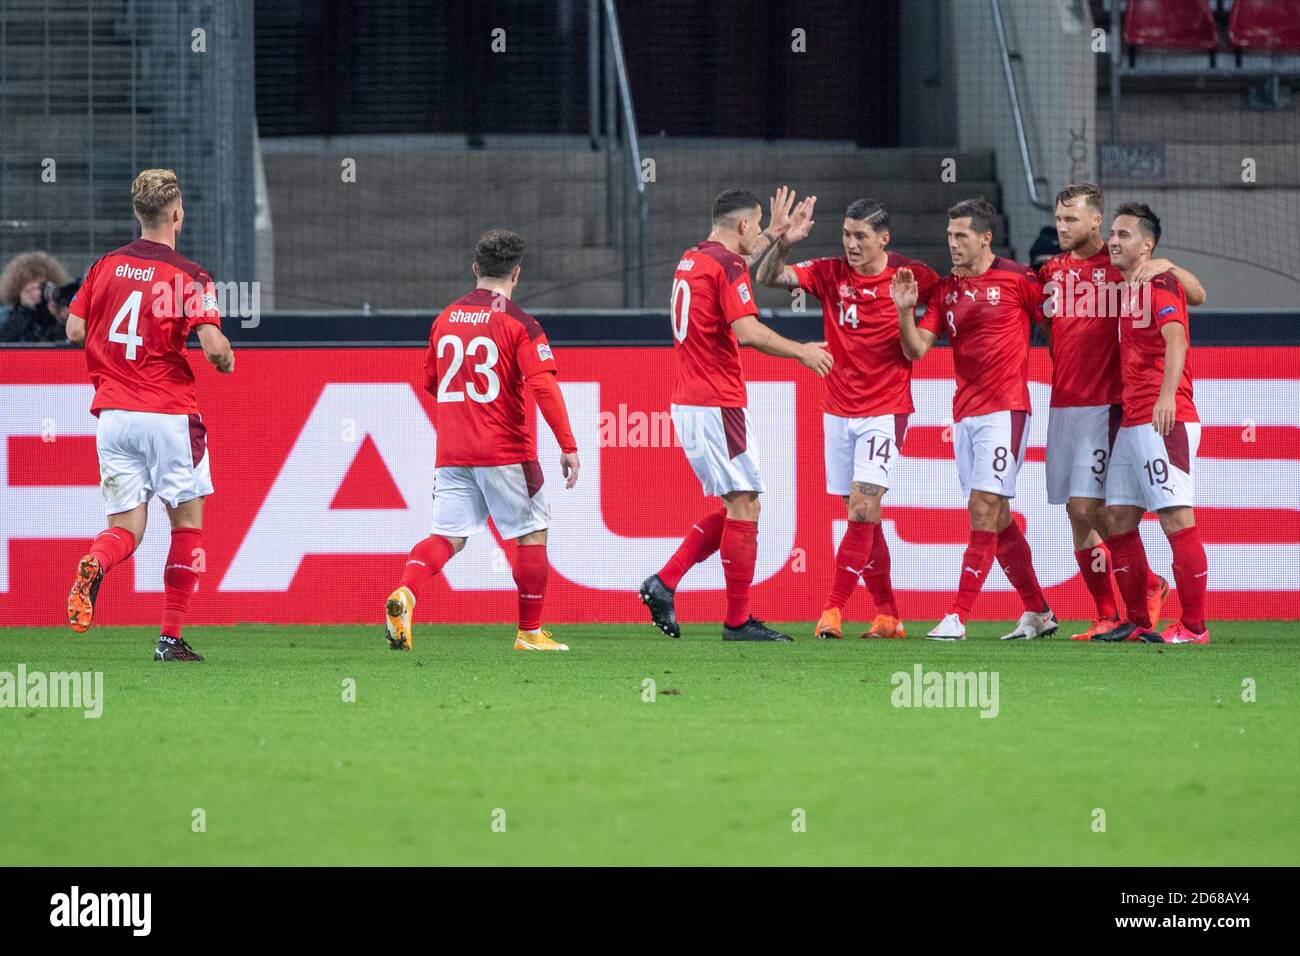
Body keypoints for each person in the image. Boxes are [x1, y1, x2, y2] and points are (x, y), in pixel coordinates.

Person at [639, 188, 832, 642]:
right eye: (758, 222)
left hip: (693, 399)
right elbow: (747, 331)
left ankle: (665, 583)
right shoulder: (726, 266)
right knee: (745, 504)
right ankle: (736, 621)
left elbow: (741, 260)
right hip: (715, 401)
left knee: (737, 505)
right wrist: (801, 351)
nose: (759, 230)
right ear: (742, 225)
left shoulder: (694, 257)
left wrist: (777, 233)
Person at [64, 168, 234, 662]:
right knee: (186, 526)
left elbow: (75, 330)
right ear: (177, 214)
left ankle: (97, 560)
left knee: (125, 528)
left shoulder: (104, 266)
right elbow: (213, 345)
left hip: (114, 416)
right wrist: (225, 357)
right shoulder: (191, 276)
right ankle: (170, 637)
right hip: (167, 413)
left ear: (138, 214)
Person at [754, 191, 940, 640]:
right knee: (865, 518)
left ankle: (832, 610)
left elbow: (944, 303)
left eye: (860, 236)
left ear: (884, 239)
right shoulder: (830, 272)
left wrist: (910, 317)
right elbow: (768, 277)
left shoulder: (913, 277)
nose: (851, 244)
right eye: (845, 235)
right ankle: (889, 616)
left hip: (885, 409)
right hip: (837, 411)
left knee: (860, 509)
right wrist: (784, 241)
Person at [384, 229, 581, 652]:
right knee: (531, 534)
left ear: (475, 269)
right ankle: (529, 633)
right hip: (505, 450)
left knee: (446, 536)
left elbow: (432, 384)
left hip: (453, 451)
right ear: (517, 274)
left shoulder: (445, 319)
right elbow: (543, 387)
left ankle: (406, 592)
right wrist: (568, 444)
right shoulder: (520, 323)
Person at [1038, 183, 1206, 639]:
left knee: (1098, 506)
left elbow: (1196, 298)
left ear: (1095, 220)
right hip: (1070, 405)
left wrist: (1169, 264)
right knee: (1089, 514)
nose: (1062, 227)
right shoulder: (1051, 271)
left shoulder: (1138, 275)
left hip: (1117, 408)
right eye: (1058, 219)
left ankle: (1185, 621)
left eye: (1072, 219)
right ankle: (1119, 615)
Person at [893, 198, 1055, 641]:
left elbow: (1057, 332)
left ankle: (957, 617)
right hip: (965, 414)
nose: (953, 244)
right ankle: (1038, 611)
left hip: (1006, 410)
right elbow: (916, 349)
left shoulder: (1020, 279)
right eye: (949, 236)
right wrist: (905, 310)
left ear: (985, 237)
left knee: (983, 507)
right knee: (997, 516)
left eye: (961, 236)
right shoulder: (946, 290)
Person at [1092, 203, 1209, 645]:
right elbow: (1200, 294)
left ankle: (1195, 627)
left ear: (1147, 245)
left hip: (1163, 419)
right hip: (1132, 420)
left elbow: (1176, 338)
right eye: (1113, 234)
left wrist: (1166, 398)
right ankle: (1139, 620)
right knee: (1117, 516)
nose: (1113, 241)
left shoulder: (1159, 282)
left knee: (1176, 518)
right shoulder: (1128, 286)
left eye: (1123, 234)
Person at [0, 251, 73, 343]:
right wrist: (25, 311)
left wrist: (62, 320)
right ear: (17, 289)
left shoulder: (58, 313)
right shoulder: (6, 317)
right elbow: (5, 343)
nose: (36, 293)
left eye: (42, 287)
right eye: (30, 289)